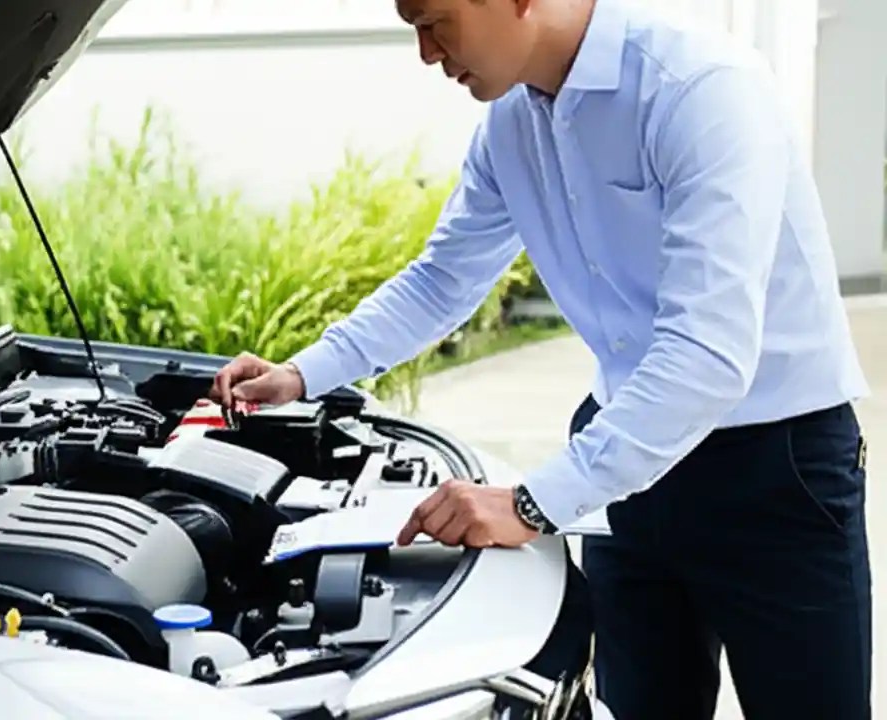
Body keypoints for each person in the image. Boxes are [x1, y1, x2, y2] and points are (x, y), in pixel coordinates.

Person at [208, 0, 872, 717]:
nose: (426, 52)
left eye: (433, 20)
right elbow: (441, 280)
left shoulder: (699, 89)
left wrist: (532, 504)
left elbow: (707, 353)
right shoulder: (512, 125)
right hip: (622, 465)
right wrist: (303, 374)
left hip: (773, 475)